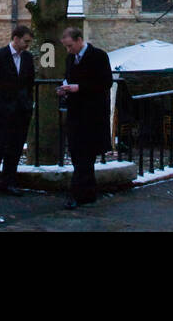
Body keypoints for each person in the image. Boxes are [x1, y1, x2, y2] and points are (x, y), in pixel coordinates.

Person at [57, 27, 111, 209]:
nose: (68, 50)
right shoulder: (70, 58)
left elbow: (106, 82)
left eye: (70, 46)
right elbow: (68, 78)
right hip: (76, 113)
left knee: (85, 156)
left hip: (92, 114)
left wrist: (79, 88)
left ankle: (78, 193)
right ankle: (87, 192)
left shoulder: (99, 56)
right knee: (78, 155)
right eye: (66, 47)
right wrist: (64, 89)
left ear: (80, 40)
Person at [0, 25, 36, 197]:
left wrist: (28, 103)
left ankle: (8, 182)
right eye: (26, 41)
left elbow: (29, 83)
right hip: (1, 110)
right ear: (16, 38)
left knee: (15, 148)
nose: (27, 45)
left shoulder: (27, 58)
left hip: (21, 111)